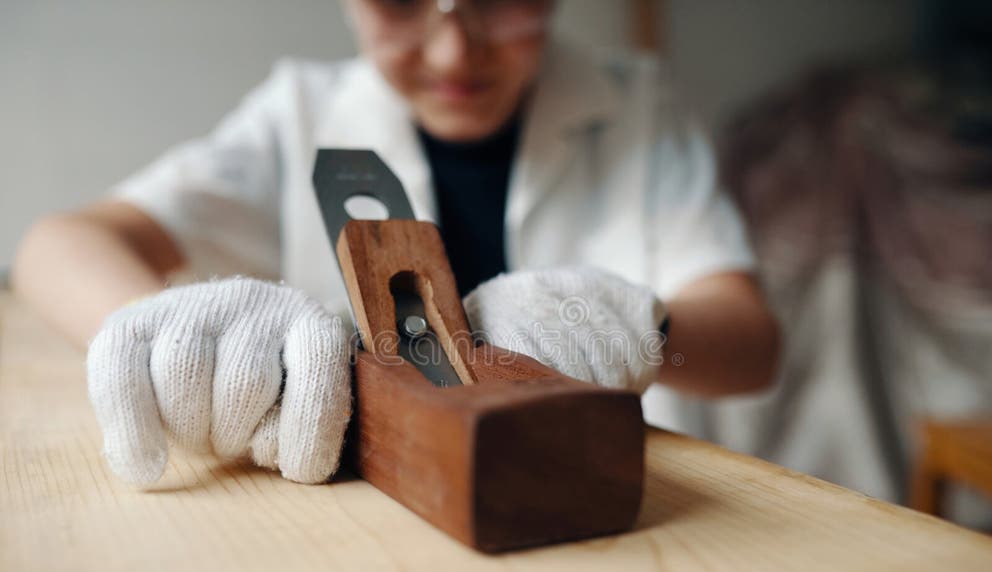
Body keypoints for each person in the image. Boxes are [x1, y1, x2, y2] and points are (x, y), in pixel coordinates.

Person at [11, 0, 780, 485]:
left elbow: (751, 344)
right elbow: (57, 244)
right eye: (402, 2)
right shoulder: (298, 115)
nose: (455, 52)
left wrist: (642, 330)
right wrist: (172, 328)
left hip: (595, 491)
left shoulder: (641, 107)